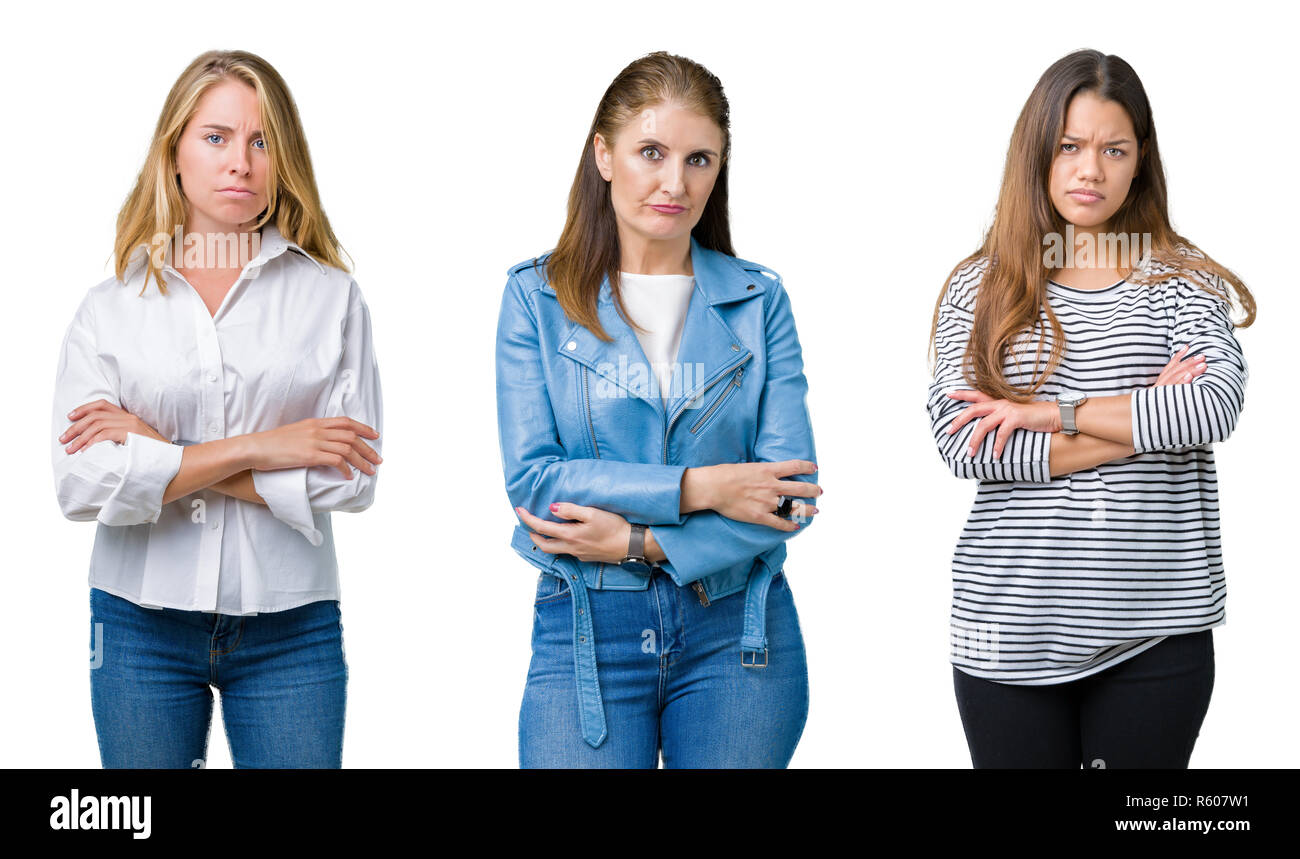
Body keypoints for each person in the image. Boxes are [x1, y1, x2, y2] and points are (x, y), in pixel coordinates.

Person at [52, 49, 383, 768]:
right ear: (174, 151)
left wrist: (158, 452)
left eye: (262, 141)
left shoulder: (330, 298)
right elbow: (81, 485)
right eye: (217, 137)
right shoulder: (110, 309)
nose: (241, 161)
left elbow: (352, 479)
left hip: (291, 627)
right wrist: (263, 447)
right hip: (138, 623)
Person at [927, 49, 1254, 768]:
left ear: (1141, 160)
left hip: (1155, 635)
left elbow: (1209, 408)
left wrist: (1053, 414)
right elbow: (966, 444)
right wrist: (1141, 414)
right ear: (1038, 153)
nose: (1090, 170)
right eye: (1070, 146)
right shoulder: (978, 288)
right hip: (1008, 633)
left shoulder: (1180, 278)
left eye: (1114, 149)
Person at [495, 51, 821, 768]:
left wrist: (641, 542)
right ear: (603, 155)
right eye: (652, 152)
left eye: (700, 159)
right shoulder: (535, 299)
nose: (677, 182)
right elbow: (538, 483)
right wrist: (702, 488)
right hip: (586, 622)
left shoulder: (759, 301)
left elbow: (789, 495)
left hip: (738, 628)